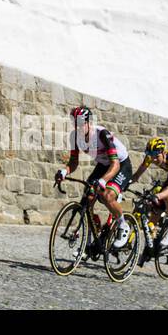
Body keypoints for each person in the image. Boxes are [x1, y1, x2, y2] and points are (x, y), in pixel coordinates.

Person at [55, 105, 133, 255]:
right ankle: (91, 239)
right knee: (88, 197)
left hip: (121, 164)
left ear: (88, 122)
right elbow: (73, 162)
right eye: (74, 123)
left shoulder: (101, 134)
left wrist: (103, 181)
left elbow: (115, 164)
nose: (77, 126)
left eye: (80, 123)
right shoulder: (75, 137)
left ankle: (123, 225)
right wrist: (64, 171)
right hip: (104, 164)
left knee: (107, 195)